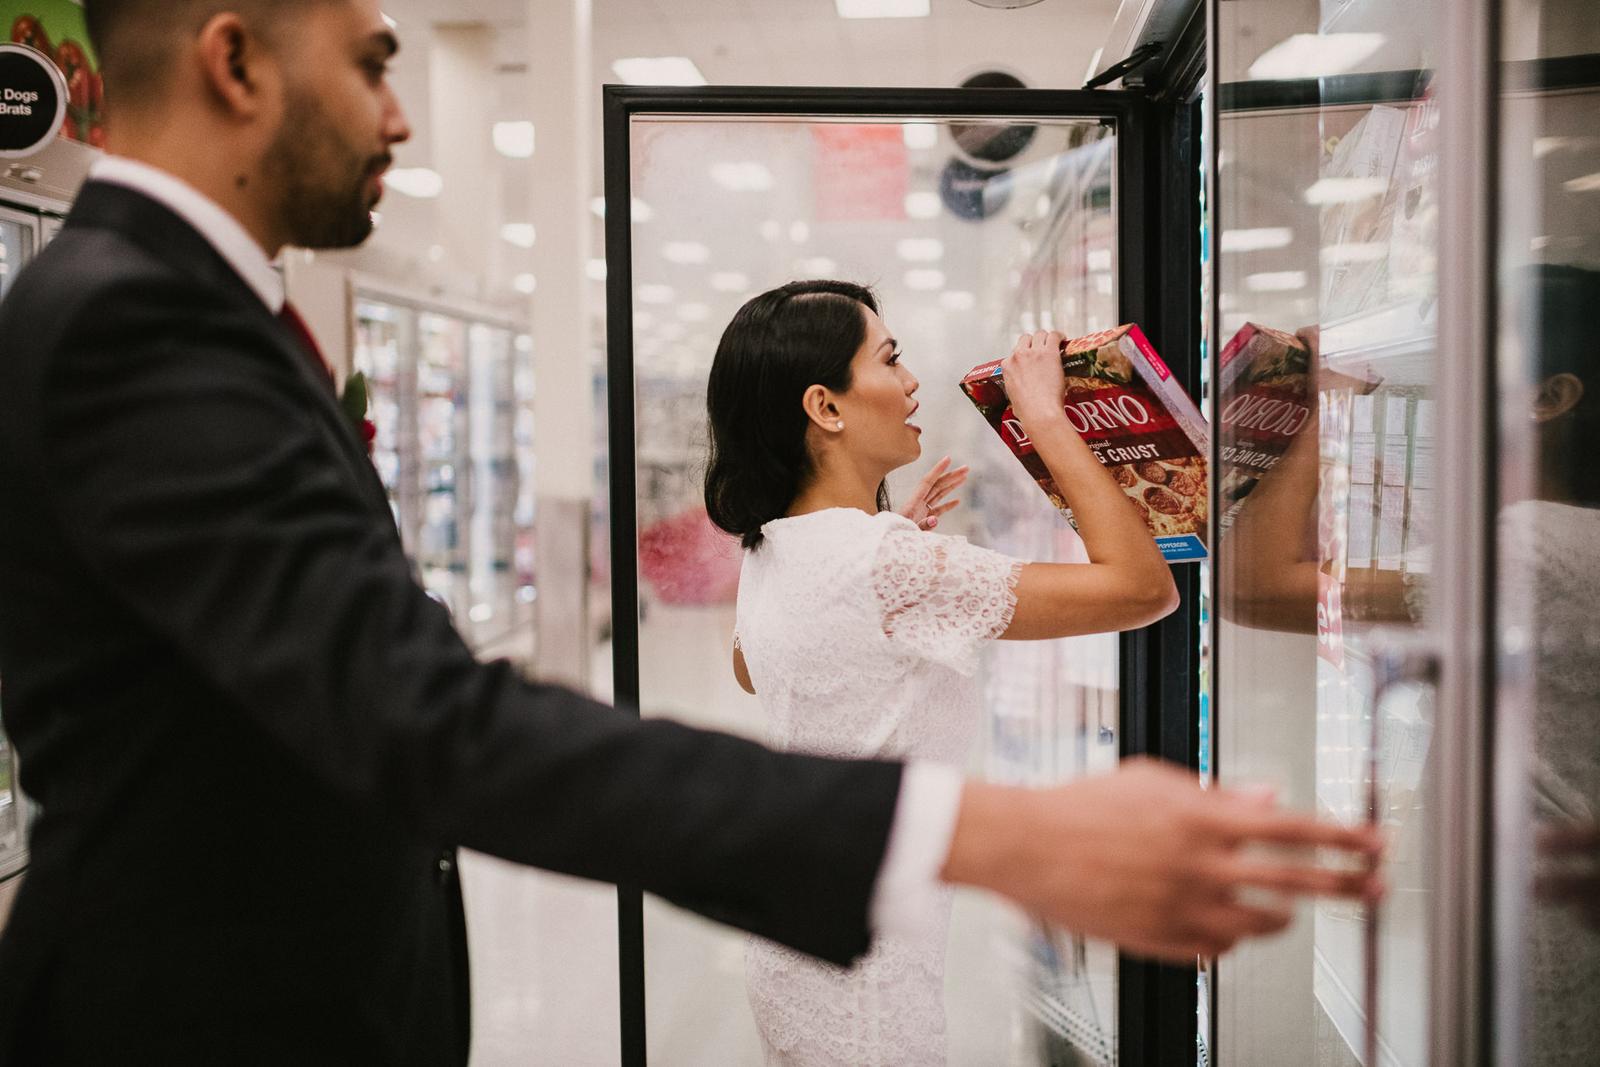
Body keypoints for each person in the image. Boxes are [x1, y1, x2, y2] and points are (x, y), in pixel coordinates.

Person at [0, 1, 1380, 1061]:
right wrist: (994, 831)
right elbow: (423, 713)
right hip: (199, 1013)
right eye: (372, 63)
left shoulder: (180, 311)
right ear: (235, 61)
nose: (402, 117)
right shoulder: (134, 321)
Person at [704, 281, 1205, 1064]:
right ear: (825, 407)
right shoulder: (881, 561)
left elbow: (754, 667)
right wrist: (1043, 417)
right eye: (889, 359)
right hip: (867, 986)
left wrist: (888, 558)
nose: (911, 382)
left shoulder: (774, 542)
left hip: (791, 940)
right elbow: (1145, 589)